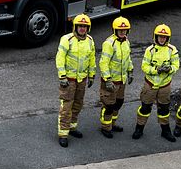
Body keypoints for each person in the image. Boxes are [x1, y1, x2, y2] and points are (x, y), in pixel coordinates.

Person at [133, 24, 179, 142]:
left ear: (168, 38)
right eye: (160, 36)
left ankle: (165, 130)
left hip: (165, 86)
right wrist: (156, 70)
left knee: (164, 109)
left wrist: (170, 69)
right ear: (156, 37)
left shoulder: (172, 50)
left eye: (164, 37)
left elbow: (176, 65)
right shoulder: (150, 50)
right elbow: (144, 66)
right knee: (145, 108)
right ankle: (139, 128)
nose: (162, 39)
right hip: (150, 85)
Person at [55, 14, 96, 147]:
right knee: (66, 107)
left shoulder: (90, 41)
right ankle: (63, 134)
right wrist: (62, 76)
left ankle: (72, 127)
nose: (82, 29)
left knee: (78, 104)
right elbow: (60, 58)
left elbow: (91, 59)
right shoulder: (67, 39)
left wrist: (91, 75)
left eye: (85, 26)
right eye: (80, 26)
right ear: (75, 27)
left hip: (81, 79)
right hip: (69, 80)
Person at [99, 16, 133, 138]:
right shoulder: (109, 43)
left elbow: (127, 58)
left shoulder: (126, 41)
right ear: (115, 30)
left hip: (121, 80)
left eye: (124, 30)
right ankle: (105, 127)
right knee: (108, 105)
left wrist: (130, 70)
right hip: (111, 81)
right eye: (120, 30)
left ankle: (112, 124)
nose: (122, 32)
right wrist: (107, 79)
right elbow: (104, 62)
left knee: (118, 103)